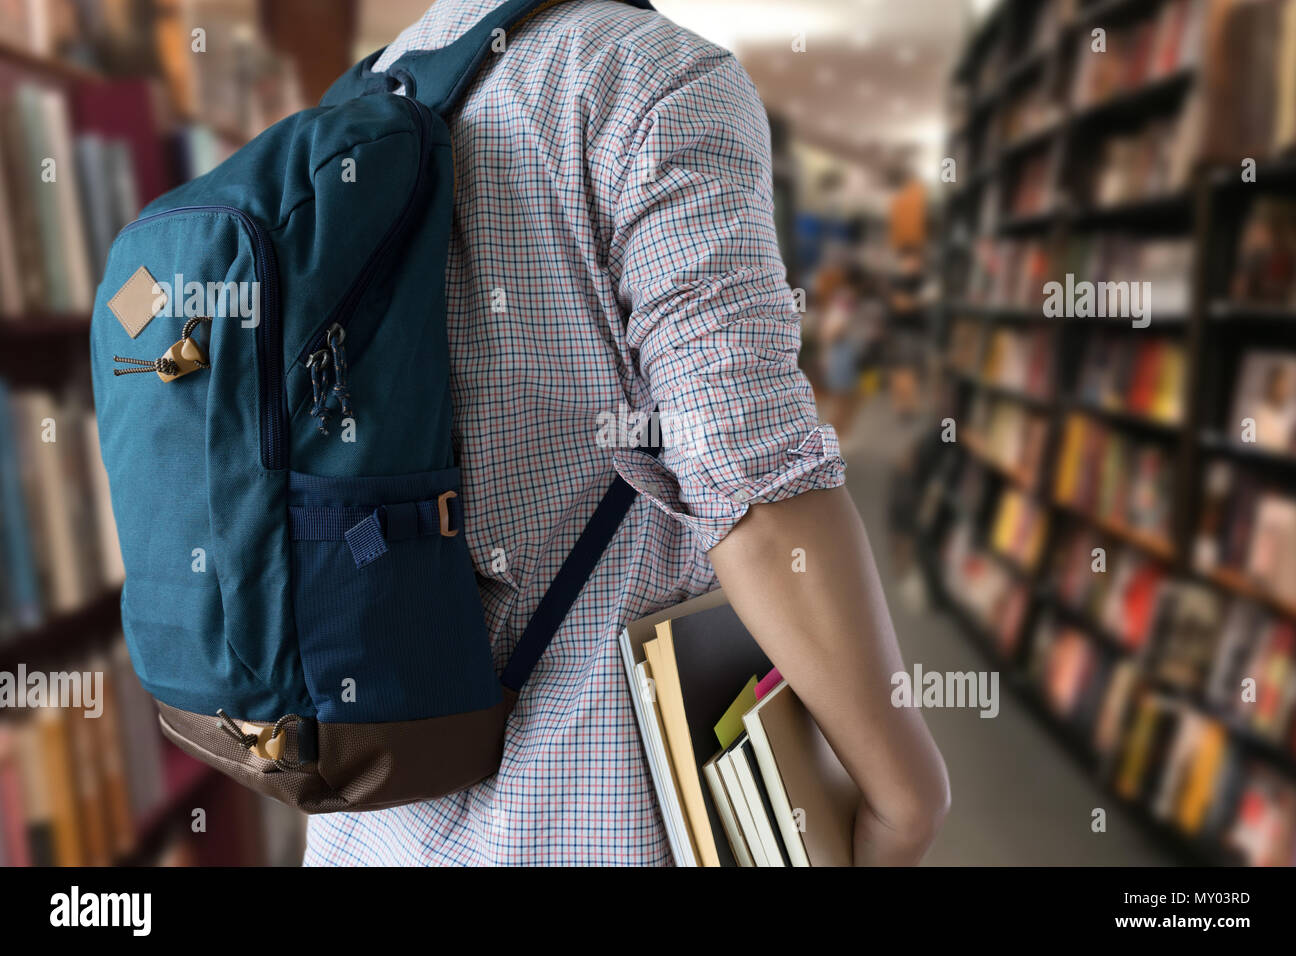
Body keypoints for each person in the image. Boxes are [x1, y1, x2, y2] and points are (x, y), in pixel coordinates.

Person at [305, 0, 949, 867]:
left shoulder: (346, 106)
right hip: (575, 804)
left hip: (362, 813)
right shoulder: (652, 80)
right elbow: (752, 488)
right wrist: (906, 794)